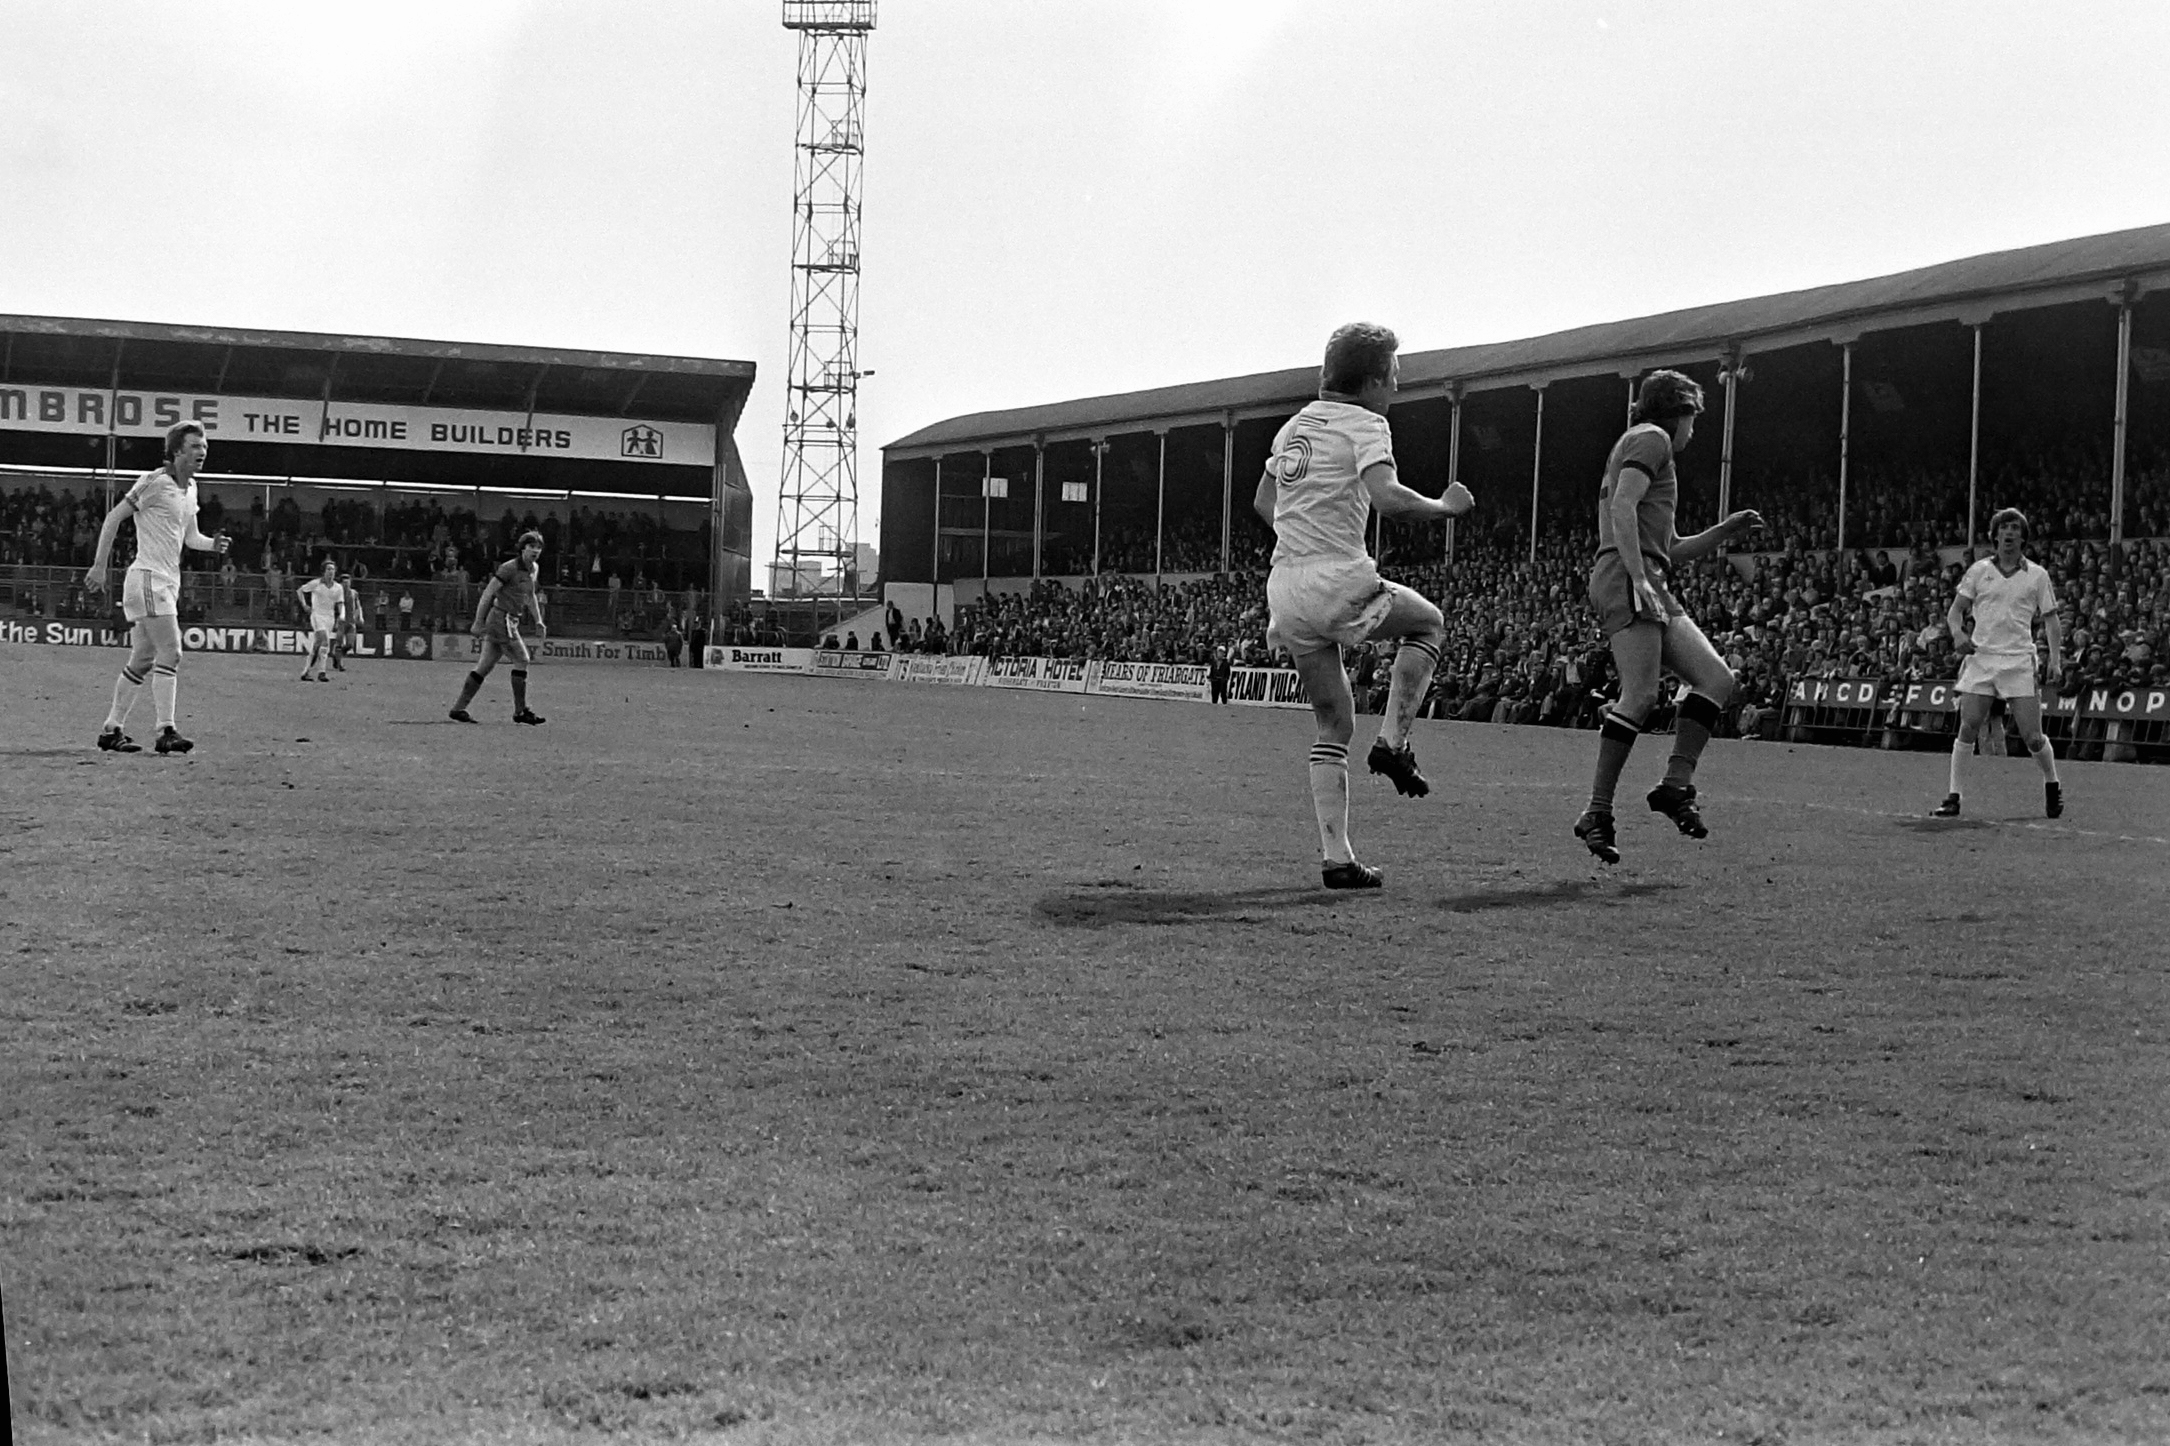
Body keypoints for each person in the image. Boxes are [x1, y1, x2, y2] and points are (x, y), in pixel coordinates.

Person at [1256, 321, 1475, 890]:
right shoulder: (1367, 424)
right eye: (1395, 375)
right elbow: (1388, 498)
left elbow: (1264, 500)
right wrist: (1445, 508)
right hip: (1337, 578)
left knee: (1334, 722)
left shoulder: (1293, 426)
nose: (1397, 387)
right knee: (1428, 624)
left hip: (1286, 587)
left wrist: (1304, 532)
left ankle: (1338, 860)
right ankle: (1395, 745)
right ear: (1373, 379)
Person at [1574, 370, 1763, 864]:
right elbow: (1623, 505)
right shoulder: (1652, 438)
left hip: (1643, 570)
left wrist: (1724, 530)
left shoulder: (1645, 446)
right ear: (1678, 412)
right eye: (1692, 418)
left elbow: (1671, 547)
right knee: (1639, 695)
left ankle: (1674, 786)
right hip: (1626, 571)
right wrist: (1638, 577)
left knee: (1716, 679)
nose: (1692, 431)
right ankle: (1597, 810)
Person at [82, 421, 230, 754]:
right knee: (172, 651)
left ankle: (111, 730)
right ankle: (166, 730)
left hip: (165, 581)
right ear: (176, 451)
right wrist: (99, 565)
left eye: (204, 446)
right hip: (148, 578)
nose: (202, 451)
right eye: (194, 446)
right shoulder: (154, 482)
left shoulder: (190, 488)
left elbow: (191, 538)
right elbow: (112, 518)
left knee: (143, 658)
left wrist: (213, 545)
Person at [1933, 507, 2064, 818]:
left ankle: (2052, 782)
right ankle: (1954, 796)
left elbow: (2051, 620)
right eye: (2004, 527)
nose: (2009, 533)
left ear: (2023, 537)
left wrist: (2055, 660)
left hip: (2018, 660)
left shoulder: (2037, 575)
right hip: (1982, 658)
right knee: (1968, 725)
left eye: (2015, 528)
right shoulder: (1978, 571)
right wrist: (1957, 633)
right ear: (1994, 535)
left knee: (2033, 737)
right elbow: (1955, 612)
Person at [449, 530, 549, 724]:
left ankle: (458, 709)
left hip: (511, 620)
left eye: (538, 547)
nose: (535, 551)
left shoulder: (534, 568)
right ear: (522, 549)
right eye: (531, 547)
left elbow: (530, 596)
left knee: (484, 666)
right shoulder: (508, 568)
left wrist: (538, 620)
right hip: (501, 618)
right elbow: (488, 593)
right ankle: (521, 712)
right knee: (522, 659)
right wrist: (478, 621)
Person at [296, 560, 342, 682]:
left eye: (333, 569)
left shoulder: (338, 587)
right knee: (325, 640)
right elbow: (300, 590)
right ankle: (322, 672)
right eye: (328, 569)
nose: (331, 572)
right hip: (317, 615)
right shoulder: (316, 583)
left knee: (317, 646)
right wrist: (305, 605)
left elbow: (339, 603)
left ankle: (306, 672)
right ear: (324, 571)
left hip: (330, 617)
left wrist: (341, 617)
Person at [331, 569, 359, 670]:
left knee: (350, 645)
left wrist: (360, 616)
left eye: (348, 582)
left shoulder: (354, 593)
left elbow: (357, 606)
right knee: (339, 643)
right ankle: (340, 664)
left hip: (351, 623)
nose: (346, 584)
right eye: (344, 582)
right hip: (341, 622)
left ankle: (336, 656)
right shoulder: (337, 594)